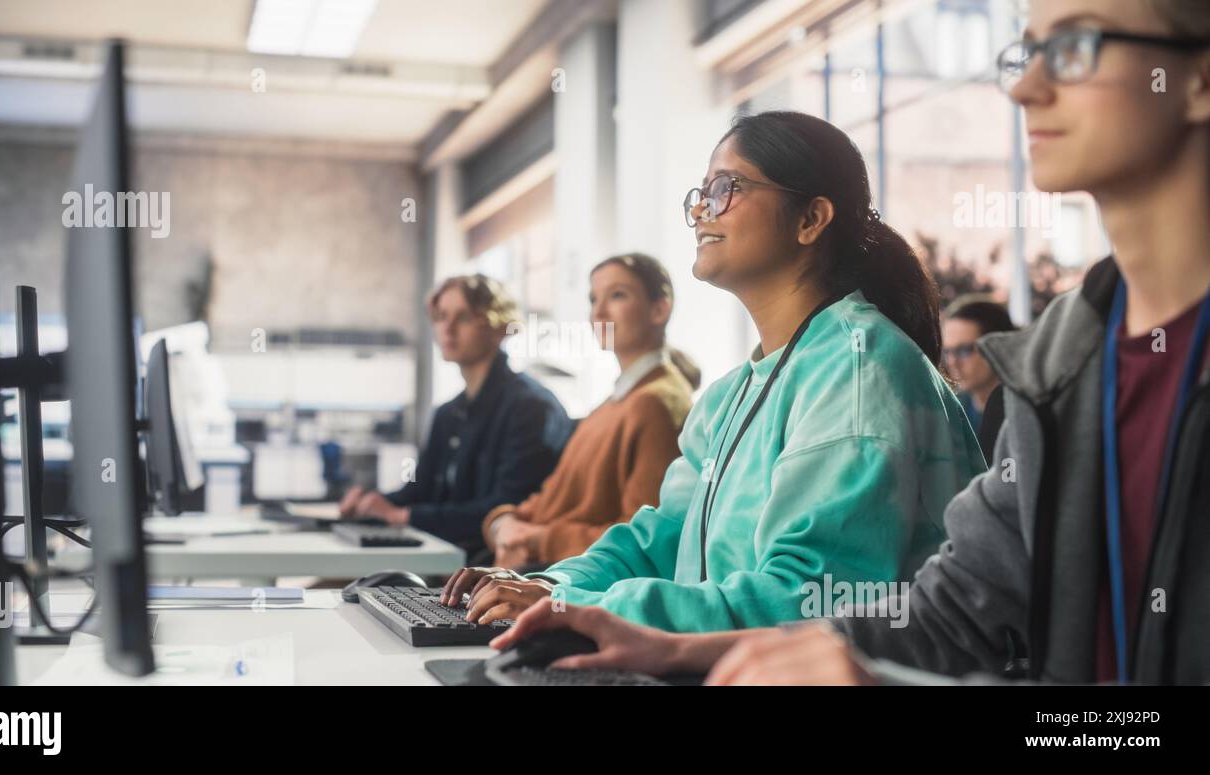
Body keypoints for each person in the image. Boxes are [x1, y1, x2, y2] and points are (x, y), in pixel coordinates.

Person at [494, 0, 1210, 685]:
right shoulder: (1065, 362)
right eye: (1025, 50)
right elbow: (946, 617)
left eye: (1078, 45)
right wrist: (633, 626)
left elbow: (820, 600)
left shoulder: (865, 369)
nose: (1024, 85)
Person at [441, 110, 986, 632]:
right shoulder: (733, 394)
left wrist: (570, 605)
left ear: (811, 219)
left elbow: (806, 603)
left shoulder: (859, 369)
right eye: (702, 193)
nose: (703, 210)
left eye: (727, 188)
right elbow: (662, 538)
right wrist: (548, 584)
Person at [483, 253, 699, 570]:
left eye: (617, 295)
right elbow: (549, 498)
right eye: (593, 298)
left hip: (572, 584)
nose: (598, 312)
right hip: (545, 567)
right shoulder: (611, 404)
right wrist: (503, 525)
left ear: (659, 309)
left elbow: (643, 539)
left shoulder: (655, 404)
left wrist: (535, 540)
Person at [338, 274, 571, 557]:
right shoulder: (448, 413)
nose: (447, 328)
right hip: (435, 559)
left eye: (463, 317)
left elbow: (507, 509)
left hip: (486, 569)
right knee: (327, 593)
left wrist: (404, 517)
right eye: (441, 317)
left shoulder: (532, 408)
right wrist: (370, 501)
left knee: (334, 593)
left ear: (499, 327)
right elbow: (419, 489)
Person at [942, 294, 1016, 462]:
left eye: (965, 350)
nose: (953, 362)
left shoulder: (1022, 412)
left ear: (996, 347)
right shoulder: (952, 410)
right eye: (947, 352)